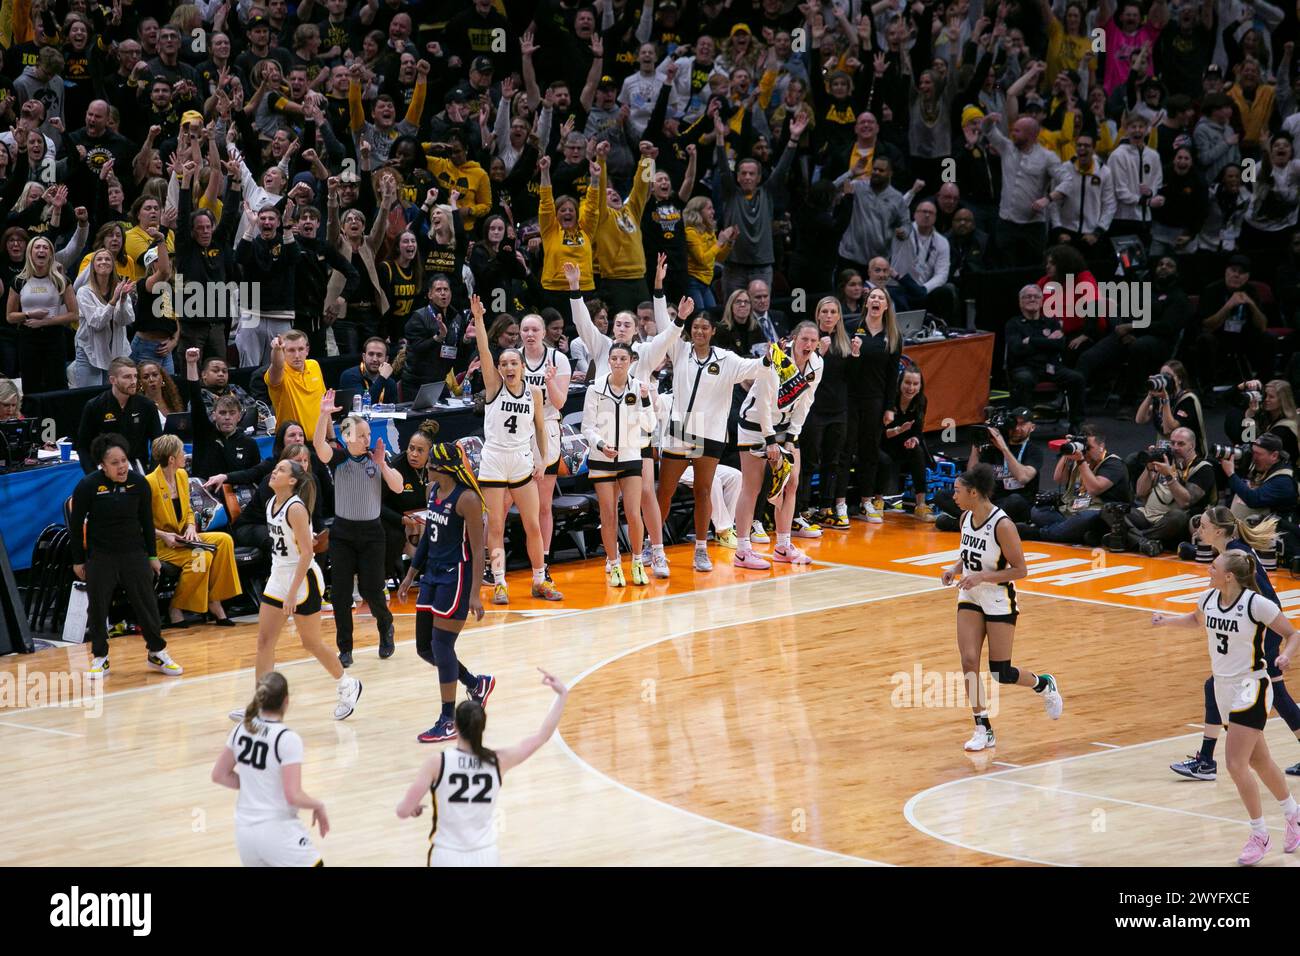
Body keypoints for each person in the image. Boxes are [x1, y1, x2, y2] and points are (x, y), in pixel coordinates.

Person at [1151, 550, 1300, 866]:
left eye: (1214, 567)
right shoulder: (1207, 598)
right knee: (1260, 761)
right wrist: (1167, 622)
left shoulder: (1256, 604)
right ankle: (1293, 814)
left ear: (1229, 576)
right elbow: (1195, 621)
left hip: (1252, 686)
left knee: (1234, 763)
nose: (1209, 568)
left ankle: (1259, 834)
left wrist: (1287, 655)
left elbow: (1292, 633)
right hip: (1223, 687)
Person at [641, 267, 766, 573]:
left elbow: (756, 367)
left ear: (712, 331)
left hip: (710, 433)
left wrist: (777, 355)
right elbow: (663, 322)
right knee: (665, 492)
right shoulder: (679, 349)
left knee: (703, 491)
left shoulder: (727, 360)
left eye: (704, 328)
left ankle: (700, 549)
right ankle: (651, 544)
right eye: (694, 327)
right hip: (682, 430)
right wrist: (658, 286)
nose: (698, 332)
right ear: (689, 330)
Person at [1171, 507, 1300, 782]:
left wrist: (1261, 636)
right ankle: (1206, 760)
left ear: (1218, 530)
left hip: (1263, 633)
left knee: (1260, 690)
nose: (1198, 530)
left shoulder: (1238, 555)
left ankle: (1206, 761)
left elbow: (1268, 603)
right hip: (1257, 631)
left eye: (1203, 525)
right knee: (1273, 693)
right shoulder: (1230, 552)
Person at [942, 463, 1063, 753]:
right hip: (970, 597)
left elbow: (1021, 570)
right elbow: (968, 553)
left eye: (957, 491)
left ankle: (1043, 684)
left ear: (974, 492)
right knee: (969, 660)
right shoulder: (965, 518)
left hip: (998, 598)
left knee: (1001, 672)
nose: (953, 495)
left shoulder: (1003, 525)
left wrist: (982, 576)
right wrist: (955, 569)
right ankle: (982, 727)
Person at [396, 667, 569, 867]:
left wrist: (412, 808)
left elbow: (402, 811)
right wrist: (562, 694)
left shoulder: (437, 762)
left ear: (456, 726)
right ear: (483, 727)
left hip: (447, 855)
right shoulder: (498, 761)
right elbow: (542, 737)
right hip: (485, 856)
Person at [565, 258, 671, 579]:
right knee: (612, 507)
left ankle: (657, 551)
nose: (621, 328)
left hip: (640, 431)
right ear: (612, 327)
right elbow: (583, 323)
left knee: (645, 495)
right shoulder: (603, 348)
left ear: (636, 330)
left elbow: (668, 335)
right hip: (608, 438)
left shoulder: (647, 352)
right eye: (618, 324)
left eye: (628, 324)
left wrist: (659, 289)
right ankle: (615, 561)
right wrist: (575, 288)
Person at [237, 458, 362, 722]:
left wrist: (292, 592)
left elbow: (307, 553)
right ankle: (261, 706)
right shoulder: (271, 503)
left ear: (292, 481)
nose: (274, 471)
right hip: (278, 574)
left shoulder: (296, 508)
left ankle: (347, 683)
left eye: (281, 470)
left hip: (302, 579)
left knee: (311, 642)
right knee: (264, 641)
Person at [396, 442, 493, 743]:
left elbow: (479, 551)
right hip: (431, 575)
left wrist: (475, 594)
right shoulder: (432, 492)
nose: (426, 468)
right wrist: (410, 574)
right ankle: (476, 684)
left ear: (442, 468)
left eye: (430, 464)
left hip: (457, 576)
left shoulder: (467, 500)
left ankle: (448, 719)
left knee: (441, 645)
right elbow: (425, 541)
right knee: (425, 647)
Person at [469, 294, 561, 604]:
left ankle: (539, 580)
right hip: (494, 461)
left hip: (522, 460)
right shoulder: (494, 387)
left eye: (513, 363)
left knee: (532, 524)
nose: (509, 367)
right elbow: (483, 349)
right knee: (495, 524)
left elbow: (539, 428)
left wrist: (543, 461)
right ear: (498, 368)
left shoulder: (534, 392)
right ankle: (499, 582)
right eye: (504, 363)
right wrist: (479, 320)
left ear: (521, 366)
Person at [69, 433, 181, 679]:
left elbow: (146, 523)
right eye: (115, 463)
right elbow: (76, 527)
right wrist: (78, 560)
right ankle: (100, 657)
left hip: (134, 553)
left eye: (124, 460)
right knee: (97, 608)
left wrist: (152, 556)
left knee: (147, 604)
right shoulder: (88, 486)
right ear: (102, 465)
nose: (122, 467)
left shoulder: (139, 484)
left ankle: (157, 652)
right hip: (102, 555)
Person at [313, 389, 401, 664]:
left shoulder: (377, 460)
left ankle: (385, 625)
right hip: (343, 533)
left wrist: (383, 465)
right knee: (340, 594)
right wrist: (323, 415)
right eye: (361, 435)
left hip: (372, 534)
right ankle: (346, 648)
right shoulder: (339, 459)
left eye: (367, 434)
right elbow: (318, 446)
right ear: (347, 437)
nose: (366, 439)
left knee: (372, 591)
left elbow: (398, 487)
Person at [211, 672, 329, 867]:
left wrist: (255, 782)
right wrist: (318, 805)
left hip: (245, 834)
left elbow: (219, 775)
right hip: (277, 831)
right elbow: (293, 795)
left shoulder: (241, 729)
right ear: (286, 701)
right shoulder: (287, 738)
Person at [731, 324, 819, 569]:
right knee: (752, 486)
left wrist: (791, 438)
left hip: (786, 427)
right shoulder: (778, 358)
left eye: (813, 341)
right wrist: (770, 440)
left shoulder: (817, 365)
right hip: (754, 424)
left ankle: (783, 545)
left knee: (792, 482)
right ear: (794, 339)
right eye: (804, 339)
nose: (808, 345)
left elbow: (806, 403)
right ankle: (742, 550)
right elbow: (764, 401)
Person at [582, 341, 657, 586]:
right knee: (609, 514)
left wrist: (645, 401)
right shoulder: (595, 388)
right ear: (609, 361)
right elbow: (587, 427)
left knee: (634, 513)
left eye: (622, 359)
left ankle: (637, 562)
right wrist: (601, 444)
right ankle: (614, 565)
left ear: (631, 360)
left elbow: (651, 427)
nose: (618, 363)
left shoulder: (638, 388)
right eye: (614, 358)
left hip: (631, 456)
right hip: (602, 458)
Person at [146, 434, 241, 627]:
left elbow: (188, 509)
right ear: (171, 459)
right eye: (181, 451)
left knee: (224, 540)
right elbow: (141, 523)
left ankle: (215, 600)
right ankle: (176, 607)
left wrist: (190, 526)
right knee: (201, 557)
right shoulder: (149, 483)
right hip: (161, 543)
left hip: (184, 538)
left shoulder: (181, 475)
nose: (185, 454)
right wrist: (164, 535)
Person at [1103, 427, 1215, 555]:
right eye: (1172, 443)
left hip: (1169, 521)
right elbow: (1140, 493)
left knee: (1178, 517)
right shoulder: (1165, 460)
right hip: (1146, 515)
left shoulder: (1203, 468)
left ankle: (1130, 537)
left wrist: (1169, 476)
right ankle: (1143, 541)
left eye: (1181, 444)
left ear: (1192, 445)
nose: (1175, 448)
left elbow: (1185, 502)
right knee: (1109, 510)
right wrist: (1149, 468)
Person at [519, 313, 571, 580]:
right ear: (520, 333)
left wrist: (549, 380)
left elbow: (560, 403)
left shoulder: (558, 359)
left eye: (534, 329)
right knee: (505, 500)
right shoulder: (513, 358)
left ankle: (544, 561)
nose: (530, 334)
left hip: (547, 429)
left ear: (542, 333)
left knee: (543, 504)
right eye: (525, 329)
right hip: (518, 432)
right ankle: (495, 566)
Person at [846, 286, 903, 525]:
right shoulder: (852, 328)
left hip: (875, 400)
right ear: (867, 303)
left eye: (881, 298)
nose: (876, 300)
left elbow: (892, 377)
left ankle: (866, 500)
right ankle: (837, 503)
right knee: (845, 449)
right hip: (849, 398)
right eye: (873, 297)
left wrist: (890, 407)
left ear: (887, 306)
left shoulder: (893, 336)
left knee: (869, 451)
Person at [935, 408, 1042, 530]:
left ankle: (968, 523)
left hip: (1017, 503)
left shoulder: (1034, 451)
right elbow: (971, 477)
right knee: (941, 495)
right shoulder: (992, 448)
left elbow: (1023, 477)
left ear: (1032, 427)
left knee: (1015, 500)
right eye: (1014, 424)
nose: (1017, 428)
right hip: (990, 502)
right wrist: (976, 447)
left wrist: (1004, 448)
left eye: (1022, 424)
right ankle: (986, 524)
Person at [1024, 426, 1132, 544]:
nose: (1085, 452)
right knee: (1038, 511)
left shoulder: (1113, 464)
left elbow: (1094, 489)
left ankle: (1038, 533)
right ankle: (1074, 533)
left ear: (1101, 446)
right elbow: (1059, 478)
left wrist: (1081, 460)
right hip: (1072, 510)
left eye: (1088, 448)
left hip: (1096, 513)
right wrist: (1068, 451)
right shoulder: (1079, 459)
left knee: (1084, 518)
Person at [1004, 284, 1086, 433]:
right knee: (1023, 379)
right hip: (1025, 367)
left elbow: (1060, 344)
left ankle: (1077, 424)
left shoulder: (1051, 322)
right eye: (1027, 297)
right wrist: (1046, 341)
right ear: (1020, 302)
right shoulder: (1013, 324)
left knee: (1077, 378)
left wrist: (1031, 340)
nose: (1032, 299)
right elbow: (1017, 349)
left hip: (1051, 366)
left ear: (1042, 301)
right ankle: (1024, 425)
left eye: (1036, 297)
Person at [7, 234, 78, 393]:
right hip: (28, 338)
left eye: (45, 247)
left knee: (57, 383)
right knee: (31, 384)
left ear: (51, 254)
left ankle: (58, 416)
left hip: (54, 338)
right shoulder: (19, 281)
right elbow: (10, 316)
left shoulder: (61, 280)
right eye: (37, 247)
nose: (41, 250)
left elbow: (74, 314)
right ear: (30, 253)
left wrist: (45, 321)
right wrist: (28, 315)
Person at [76, 357, 162, 472]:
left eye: (135, 376)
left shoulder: (147, 406)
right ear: (113, 380)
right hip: (107, 468)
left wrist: (152, 475)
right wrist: (93, 475)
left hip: (138, 466)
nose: (133, 381)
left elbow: (158, 443)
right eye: (127, 377)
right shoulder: (95, 406)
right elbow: (83, 447)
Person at [879, 366, 936, 522]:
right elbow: (879, 433)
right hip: (884, 443)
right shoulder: (889, 400)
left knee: (917, 451)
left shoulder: (921, 401)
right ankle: (877, 501)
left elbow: (918, 431)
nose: (911, 388)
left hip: (903, 446)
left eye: (915, 384)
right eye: (907, 383)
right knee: (883, 459)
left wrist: (914, 440)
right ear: (899, 383)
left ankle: (921, 505)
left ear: (920, 386)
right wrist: (899, 430)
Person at [1135, 359, 1205, 457]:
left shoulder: (1187, 400)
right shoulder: (1159, 398)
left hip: (1186, 454)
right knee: (1135, 459)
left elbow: (1169, 429)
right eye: (1161, 375)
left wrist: (1165, 400)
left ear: (1179, 379)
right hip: (1165, 450)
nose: (1164, 379)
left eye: (1168, 376)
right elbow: (1140, 419)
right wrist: (1150, 395)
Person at [1223, 432, 1297, 524]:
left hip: (1275, 532)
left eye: (1258, 454)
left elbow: (1253, 499)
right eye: (1253, 452)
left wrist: (1231, 473)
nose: (1253, 457)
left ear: (1274, 455)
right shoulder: (1266, 467)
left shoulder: (1283, 480)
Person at [265, 331, 326, 441]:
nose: (297, 355)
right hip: (292, 446)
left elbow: (324, 407)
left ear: (307, 350)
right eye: (291, 350)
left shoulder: (314, 366)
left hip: (319, 442)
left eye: (301, 349)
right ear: (283, 352)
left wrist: (332, 439)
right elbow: (277, 365)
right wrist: (277, 350)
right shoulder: (281, 373)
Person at [338, 337, 398, 404]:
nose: (375, 359)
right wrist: (382, 378)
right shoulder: (350, 376)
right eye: (371, 354)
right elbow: (361, 405)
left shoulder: (390, 383)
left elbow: (394, 409)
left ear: (386, 359)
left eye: (379, 355)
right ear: (364, 357)